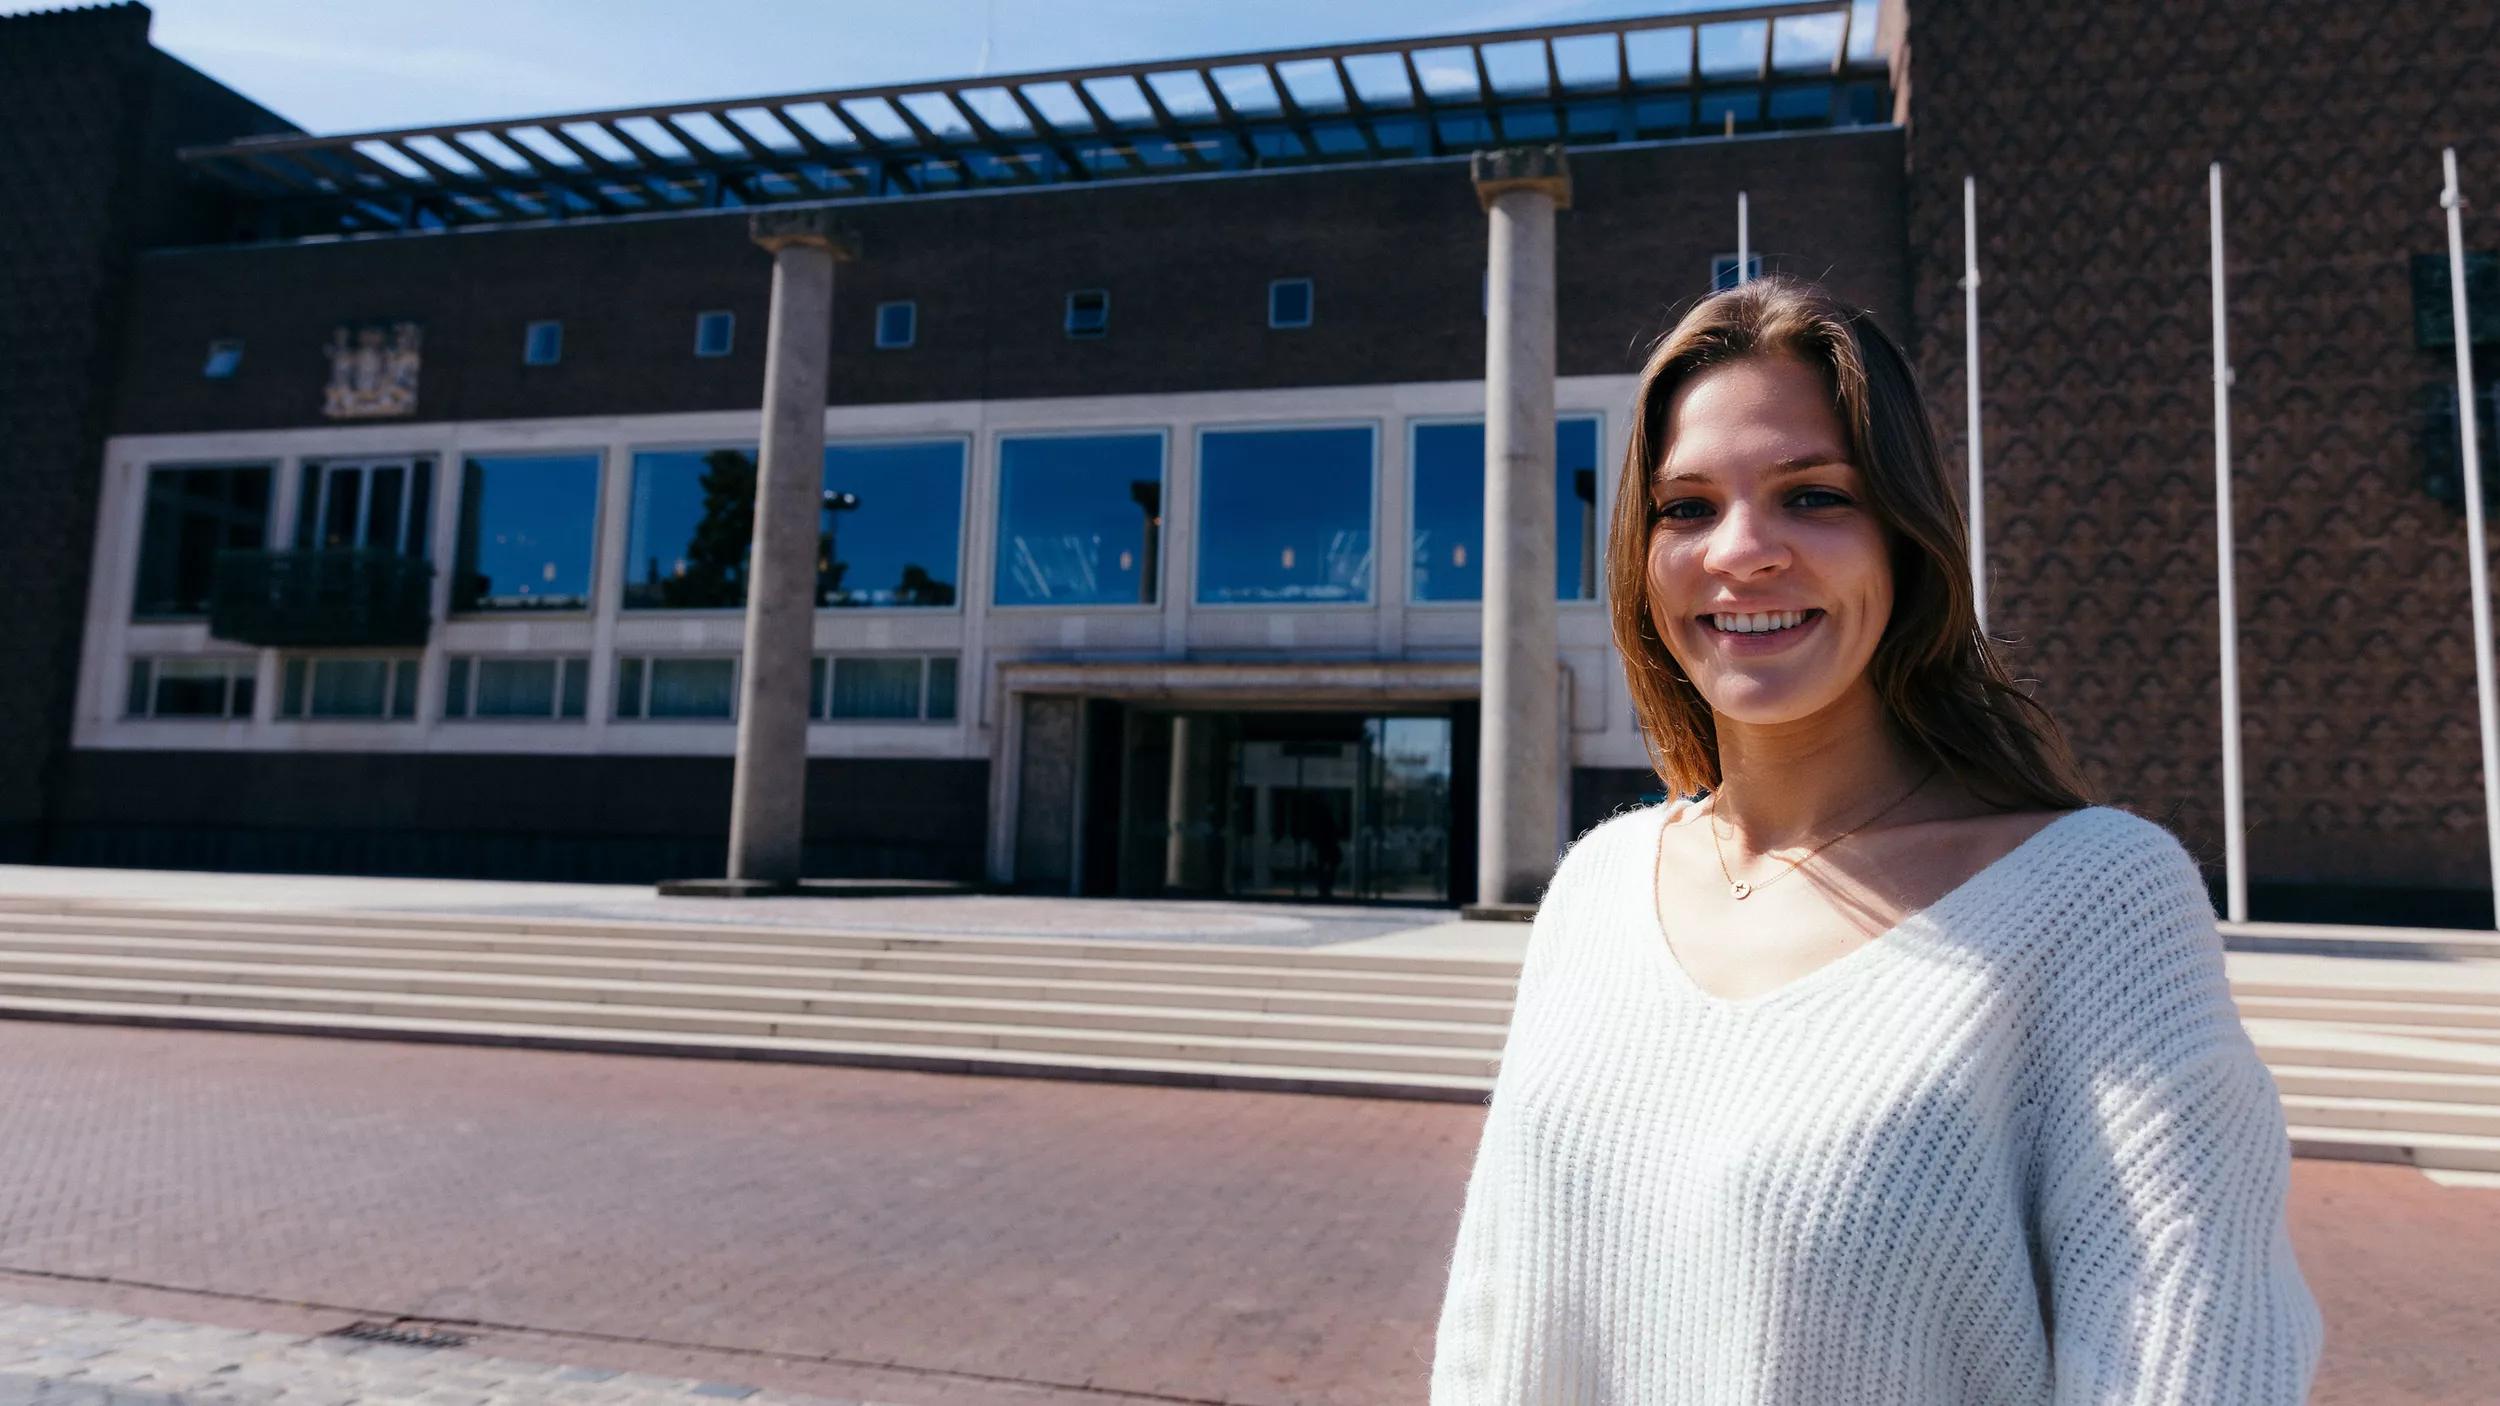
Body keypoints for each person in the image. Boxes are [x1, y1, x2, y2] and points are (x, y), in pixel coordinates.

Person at [1429, 276, 2323, 1404]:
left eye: (1812, 496)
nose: (1740, 551)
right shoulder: (1599, 885)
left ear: (1905, 540)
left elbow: (2196, 1367)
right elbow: (1492, 1326)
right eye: (1685, 508)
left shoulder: (2096, 902)